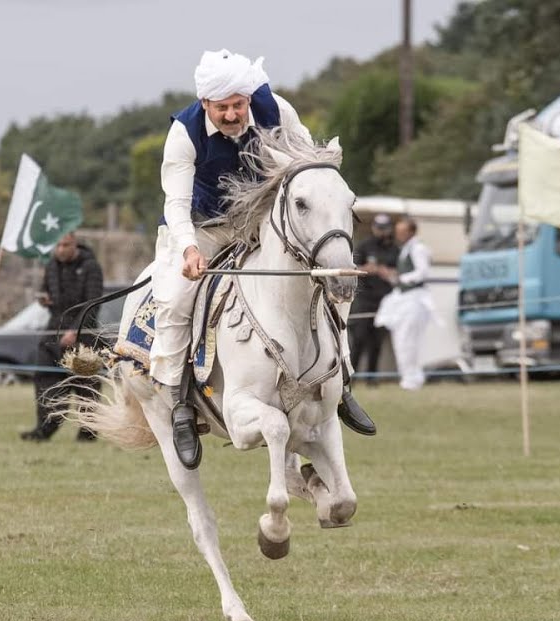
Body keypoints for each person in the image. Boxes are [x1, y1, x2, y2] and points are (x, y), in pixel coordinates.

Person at [153, 48, 376, 469]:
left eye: (239, 105)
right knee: (176, 298)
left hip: (267, 219)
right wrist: (188, 250)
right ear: (205, 104)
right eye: (223, 109)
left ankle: (340, 384)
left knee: (334, 280)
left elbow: (310, 165)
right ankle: (180, 403)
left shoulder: (278, 110)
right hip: (208, 226)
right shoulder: (183, 133)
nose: (234, 115)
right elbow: (176, 203)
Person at [20, 232, 105, 442]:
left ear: (74, 243)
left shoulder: (91, 267)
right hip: (54, 330)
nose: (60, 250)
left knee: (86, 386)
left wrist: (75, 331)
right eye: (57, 245)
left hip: (83, 333)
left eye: (65, 245)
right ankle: (45, 427)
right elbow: (45, 290)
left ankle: (88, 432)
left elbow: (92, 304)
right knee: (44, 378)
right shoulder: (51, 265)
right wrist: (43, 298)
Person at [373, 217, 435, 391]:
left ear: (411, 232)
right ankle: (408, 377)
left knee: (408, 340)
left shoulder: (418, 248)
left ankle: (412, 378)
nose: (398, 235)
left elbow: (422, 273)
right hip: (404, 297)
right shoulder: (406, 249)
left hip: (414, 299)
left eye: (402, 231)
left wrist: (401, 278)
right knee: (402, 339)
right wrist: (393, 275)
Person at [348, 213, 400, 385]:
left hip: (384, 301)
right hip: (364, 300)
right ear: (374, 228)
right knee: (359, 340)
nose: (381, 232)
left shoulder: (394, 250)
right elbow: (352, 267)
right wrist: (367, 269)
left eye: (384, 229)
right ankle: (352, 378)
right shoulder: (364, 246)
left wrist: (387, 272)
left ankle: (372, 379)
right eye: (379, 228)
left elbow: (400, 272)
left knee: (376, 342)